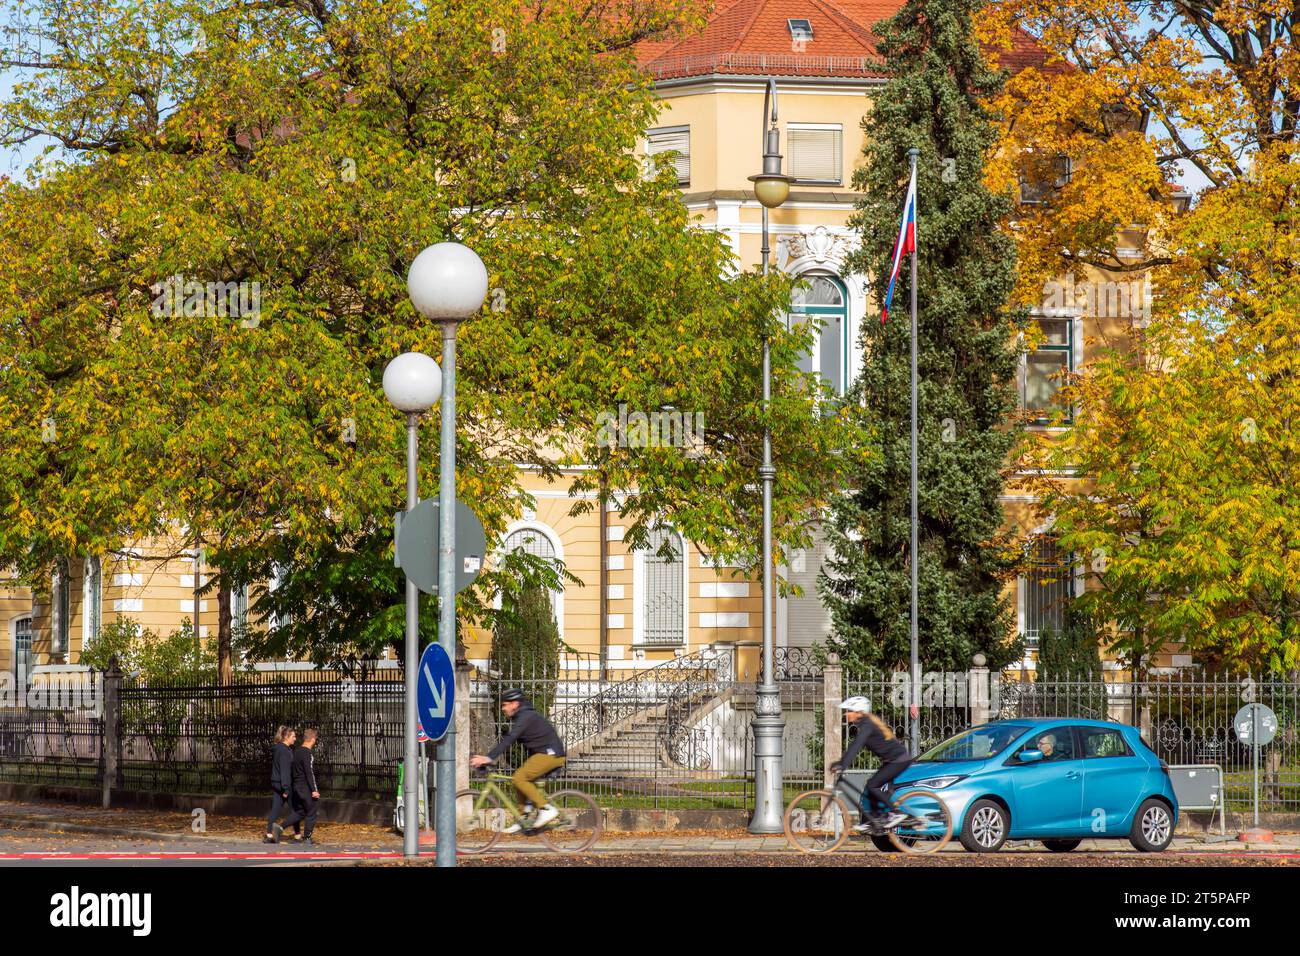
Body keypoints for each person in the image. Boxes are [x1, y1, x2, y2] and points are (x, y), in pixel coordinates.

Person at [470, 689, 565, 833]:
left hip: (550, 754)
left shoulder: (526, 717)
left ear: (514, 704)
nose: (502, 708)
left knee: (519, 778)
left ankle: (546, 809)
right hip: (543, 754)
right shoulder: (522, 717)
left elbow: (509, 739)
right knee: (519, 780)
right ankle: (523, 819)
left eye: (505, 705)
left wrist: (488, 757)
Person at [829, 696, 912, 832]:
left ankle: (897, 813)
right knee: (871, 786)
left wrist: (842, 765)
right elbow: (854, 747)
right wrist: (841, 762)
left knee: (873, 785)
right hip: (892, 760)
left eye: (849, 710)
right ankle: (874, 821)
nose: (846, 713)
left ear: (859, 712)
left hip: (899, 760)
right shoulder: (865, 724)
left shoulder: (867, 725)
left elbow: (856, 746)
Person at [283, 728, 321, 845]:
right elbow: (309, 772)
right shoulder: (307, 753)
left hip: (296, 787)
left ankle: (279, 827)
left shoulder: (297, 751)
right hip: (305, 788)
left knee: (300, 812)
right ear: (313, 739)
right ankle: (307, 838)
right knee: (312, 812)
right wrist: (314, 790)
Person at [266, 726, 297, 844]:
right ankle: (298, 835)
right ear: (286, 737)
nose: (295, 739)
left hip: (276, 782)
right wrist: (286, 788)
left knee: (275, 809)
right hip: (283, 784)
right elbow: (285, 770)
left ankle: (269, 834)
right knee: (297, 811)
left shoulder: (279, 749)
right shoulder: (284, 751)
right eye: (293, 736)